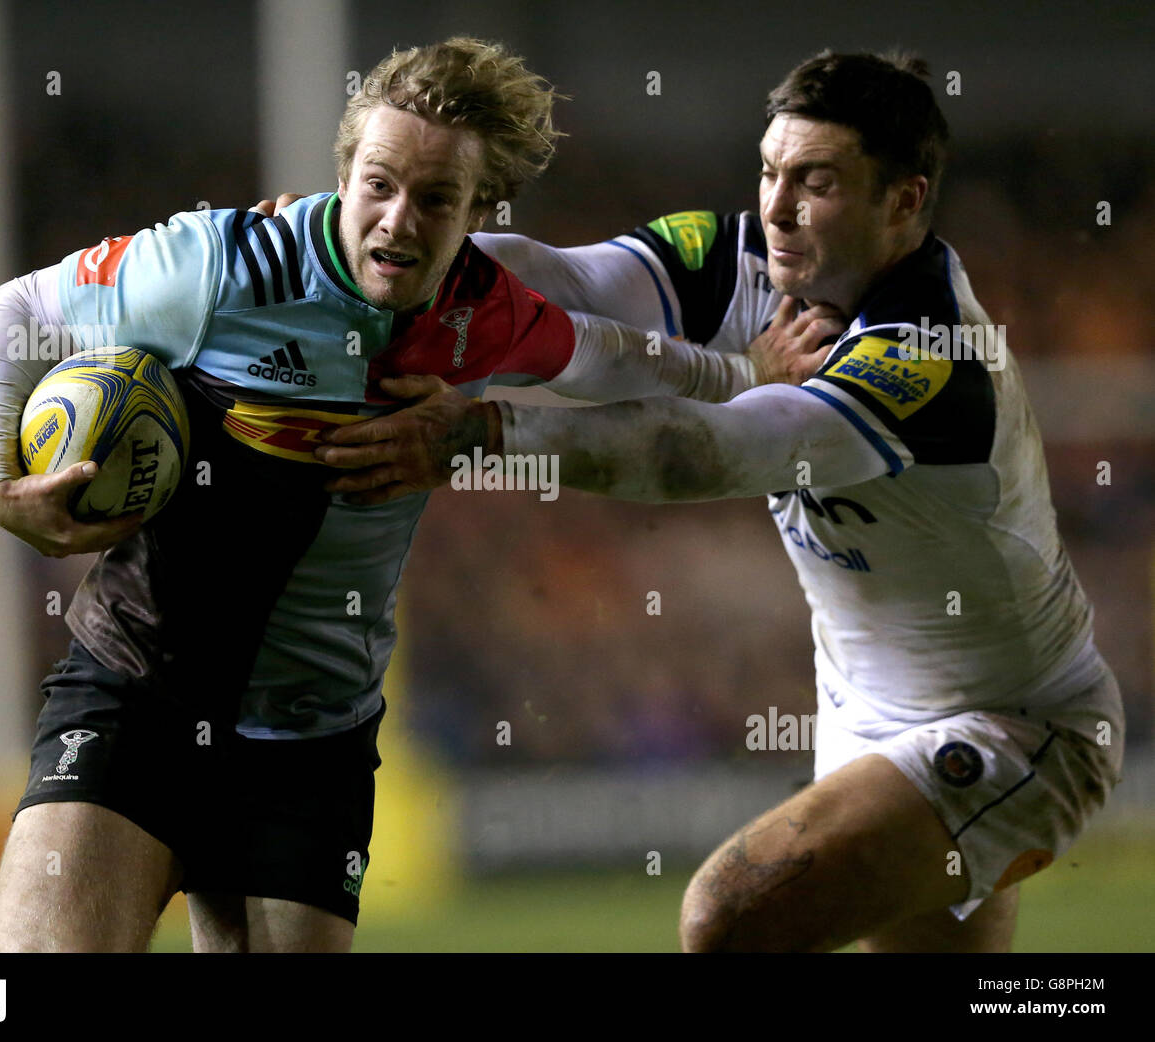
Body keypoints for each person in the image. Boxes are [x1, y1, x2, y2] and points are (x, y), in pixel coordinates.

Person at [0, 37, 822, 953]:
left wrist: (739, 370)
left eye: (436, 199)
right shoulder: (217, 269)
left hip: (313, 742)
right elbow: (14, 311)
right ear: (345, 173)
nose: (398, 222)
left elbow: (611, 357)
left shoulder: (483, 312)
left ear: (481, 213)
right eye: (378, 184)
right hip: (141, 691)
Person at [307, 51, 1125, 953]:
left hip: (1017, 727)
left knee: (727, 914)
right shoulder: (731, 258)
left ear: (903, 200)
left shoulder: (930, 356)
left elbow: (715, 451)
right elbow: (556, 283)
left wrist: (484, 435)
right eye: (771, 171)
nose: (776, 207)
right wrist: (329, 250)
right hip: (861, 721)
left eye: (816, 184)